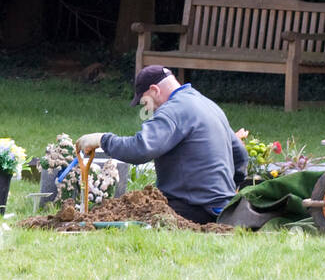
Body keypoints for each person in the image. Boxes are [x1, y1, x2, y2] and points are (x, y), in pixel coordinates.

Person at [78, 65, 247, 223]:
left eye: (145, 102)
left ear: (154, 90)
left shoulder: (173, 110)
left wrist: (102, 139)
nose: (148, 110)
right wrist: (231, 191)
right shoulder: (209, 105)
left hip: (192, 208)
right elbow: (240, 155)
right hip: (223, 209)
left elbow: (140, 149)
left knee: (124, 218)